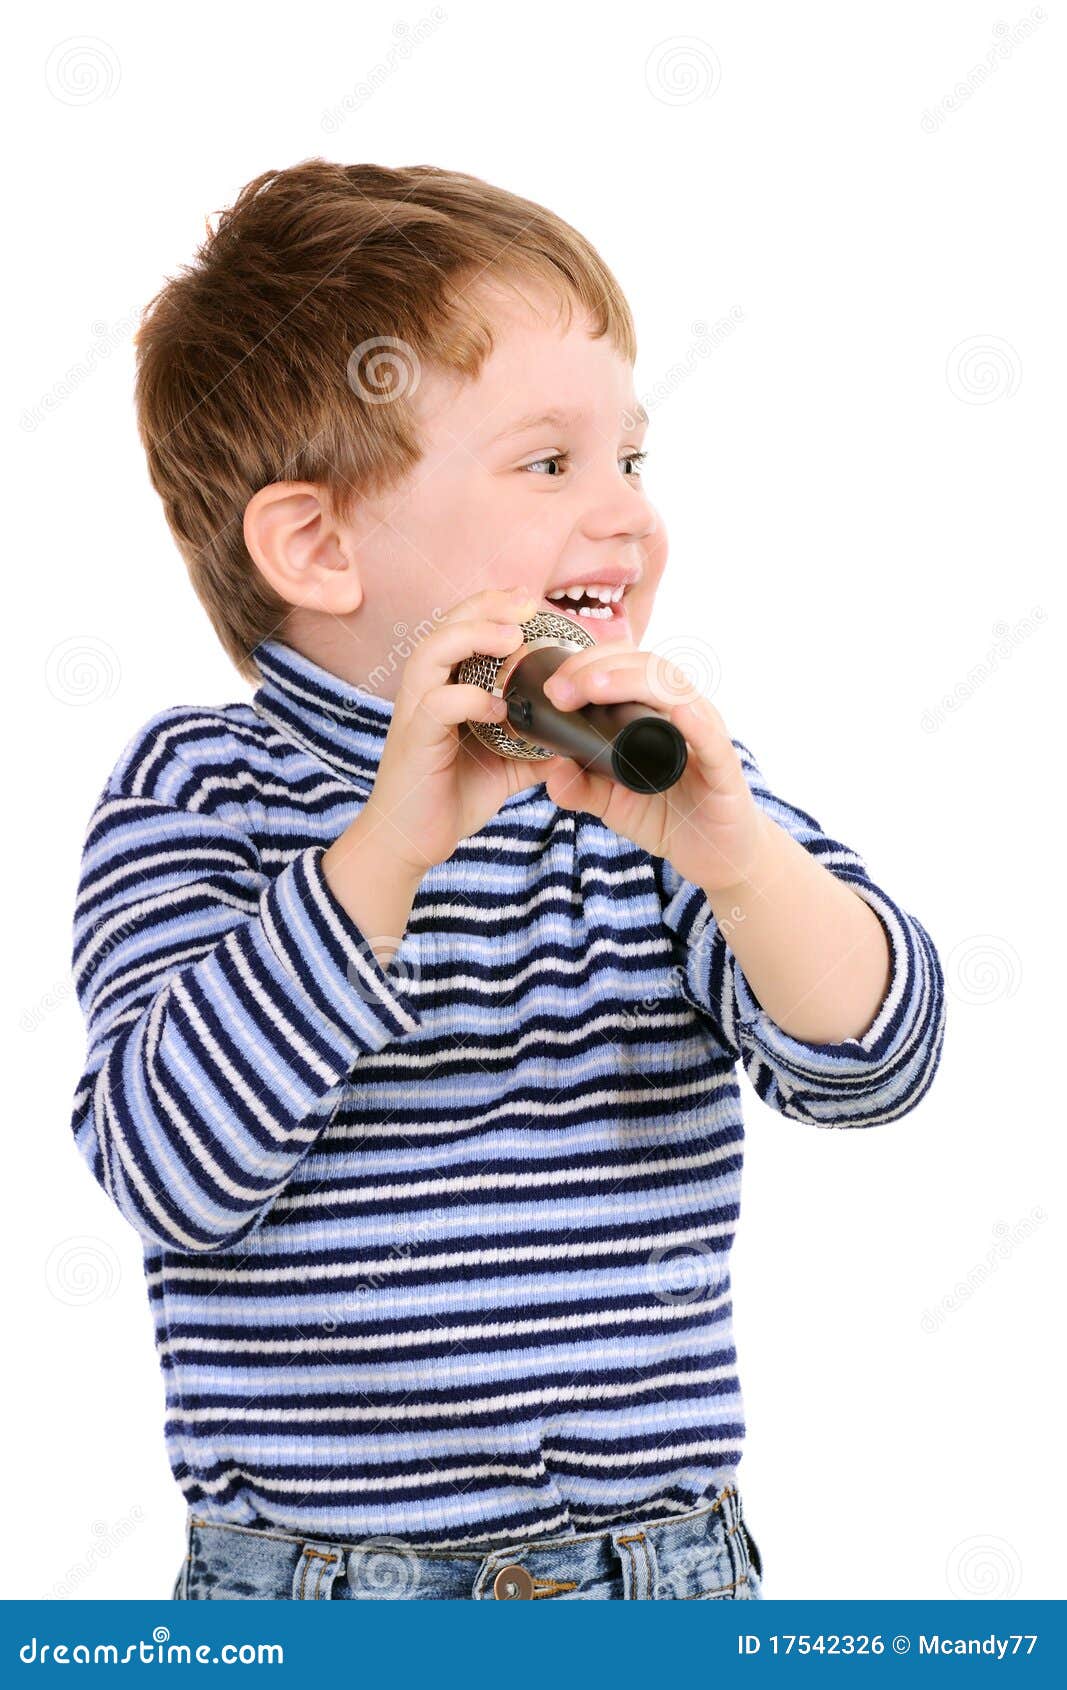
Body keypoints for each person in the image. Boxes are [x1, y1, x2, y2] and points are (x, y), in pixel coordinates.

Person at [69, 160, 945, 1601]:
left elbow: (879, 1059)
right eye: (551, 464)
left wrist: (733, 853)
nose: (626, 518)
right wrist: (387, 854)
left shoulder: (649, 782)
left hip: (651, 1579)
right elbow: (171, 1167)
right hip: (323, 1593)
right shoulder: (197, 792)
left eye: (633, 462)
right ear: (317, 544)